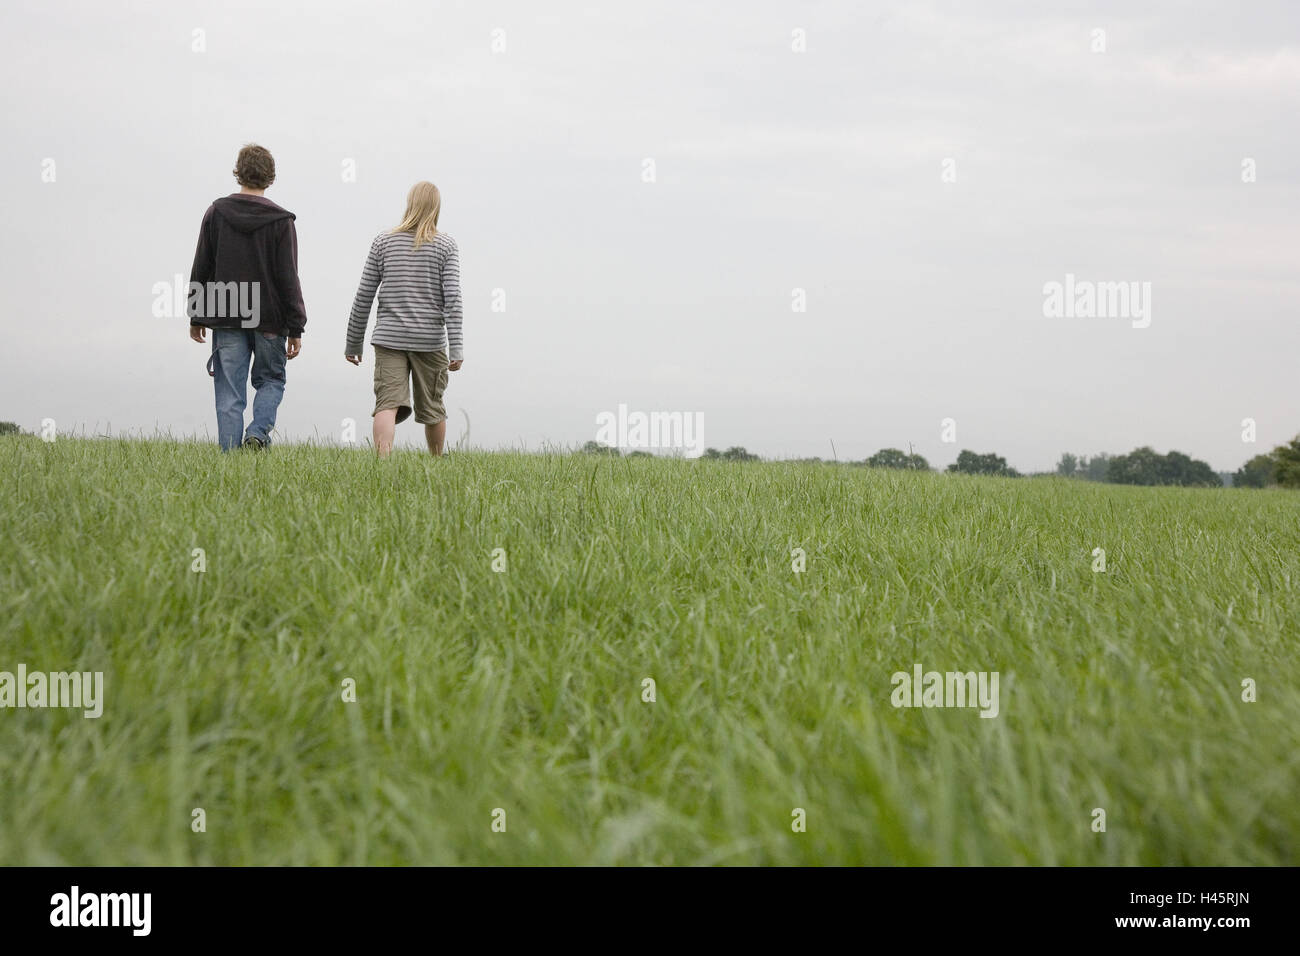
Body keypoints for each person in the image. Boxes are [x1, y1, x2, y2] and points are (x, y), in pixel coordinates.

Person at [188, 144, 307, 451]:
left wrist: (196, 315)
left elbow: (202, 264)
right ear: (271, 177)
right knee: (270, 381)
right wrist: (296, 326)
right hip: (270, 317)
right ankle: (257, 433)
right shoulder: (282, 222)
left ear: (238, 172)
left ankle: (230, 457)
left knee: (229, 390)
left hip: (226, 314)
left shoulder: (216, 213)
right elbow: (288, 277)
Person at [345, 181, 463, 458]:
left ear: (409, 203)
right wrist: (456, 348)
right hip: (430, 340)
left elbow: (364, 295)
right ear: (436, 207)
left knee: (387, 403)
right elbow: (453, 299)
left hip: (389, 338)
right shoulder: (446, 245)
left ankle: (382, 463)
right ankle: (436, 461)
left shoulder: (383, 241)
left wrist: (353, 343)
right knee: (433, 406)